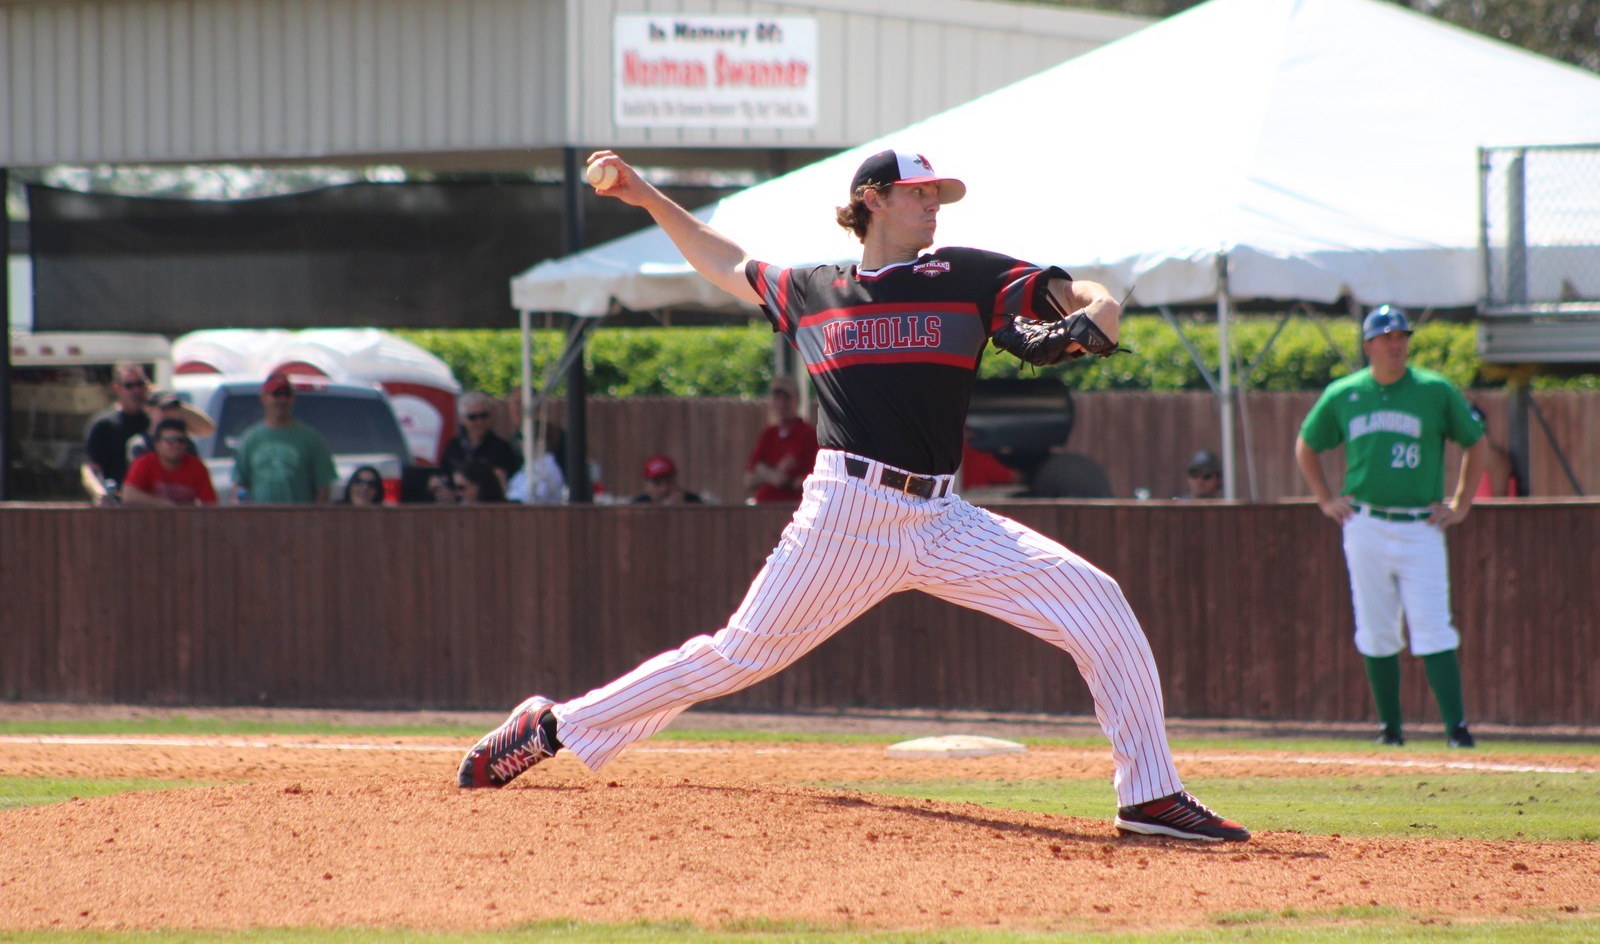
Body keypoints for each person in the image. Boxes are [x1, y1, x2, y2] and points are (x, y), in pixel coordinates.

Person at [457, 147, 1250, 844]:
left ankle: (1148, 793)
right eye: (918, 192)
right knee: (734, 656)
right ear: (870, 198)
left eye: (938, 195)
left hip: (942, 516)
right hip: (846, 516)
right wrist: (645, 198)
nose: (932, 205)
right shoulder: (815, 289)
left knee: (1098, 601)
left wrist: (1101, 308)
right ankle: (552, 725)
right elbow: (723, 260)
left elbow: (1075, 292)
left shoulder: (966, 273)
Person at [1295, 304, 1487, 749]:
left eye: (1402, 336)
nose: (1396, 343)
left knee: (1433, 626)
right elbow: (1307, 444)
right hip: (1365, 523)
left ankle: (1456, 730)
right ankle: (1391, 729)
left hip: (1420, 524)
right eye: (1386, 336)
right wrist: (1325, 498)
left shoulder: (1434, 390)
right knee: (1376, 627)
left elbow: (1476, 443)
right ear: (1368, 346)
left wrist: (1460, 503)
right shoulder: (1345, 393)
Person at [232, 373, 338, 504]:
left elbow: (323, 488)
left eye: (286, 394)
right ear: (264, 397)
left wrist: (316, 519)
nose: (282, 400)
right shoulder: (251, 439)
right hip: (261, 520)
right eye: (276, 394)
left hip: (299, 520)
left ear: (293, 398)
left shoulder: (311, 439)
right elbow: (240, 484)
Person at [81, 362, 153, 505]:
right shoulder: (103, 425)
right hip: (116, 503)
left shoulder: (153, 421)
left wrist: (164, 400)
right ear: (117, 388)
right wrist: (99, 492)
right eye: (129, 386)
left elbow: (206, 429)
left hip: (150, 503)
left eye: (140, 384)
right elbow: (90, 469)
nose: (136, 390)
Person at [743, 376, 818, 505]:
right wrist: (772, 474)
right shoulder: (769, 434)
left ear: (797, 401)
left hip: (793, 507)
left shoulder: (808, 434)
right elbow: (749, 479)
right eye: (777, 398)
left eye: (786, 398)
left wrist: (786, 480)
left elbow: (814, 479)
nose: (781, 404)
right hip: (763, 505)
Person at [121, 418, 218, 506]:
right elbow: (128, 495)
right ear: (157, 444)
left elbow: (210, 503)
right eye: (170, 441)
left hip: (185, 522)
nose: (176, 445)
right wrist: (164, 503)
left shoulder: (197, 467)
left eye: (180, 440)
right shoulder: (144, 463)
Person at [441, 392, 522, 486]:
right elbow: (445, 475)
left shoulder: (501, 448)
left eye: (484, 416)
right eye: (472, 417)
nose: (479, 422)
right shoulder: (453, 447)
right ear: (461, 419)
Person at [126, 389, 214, 462]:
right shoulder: (140, 445)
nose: (169, 413)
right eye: (164, 409)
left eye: (173, 409)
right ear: (149, 410)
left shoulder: (186, 444)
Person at [631, 455, 704, 505]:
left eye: (669, 482)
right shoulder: (638, 506)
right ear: (647, 485)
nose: (664, 489)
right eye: (657, 483)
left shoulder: (693, 502)